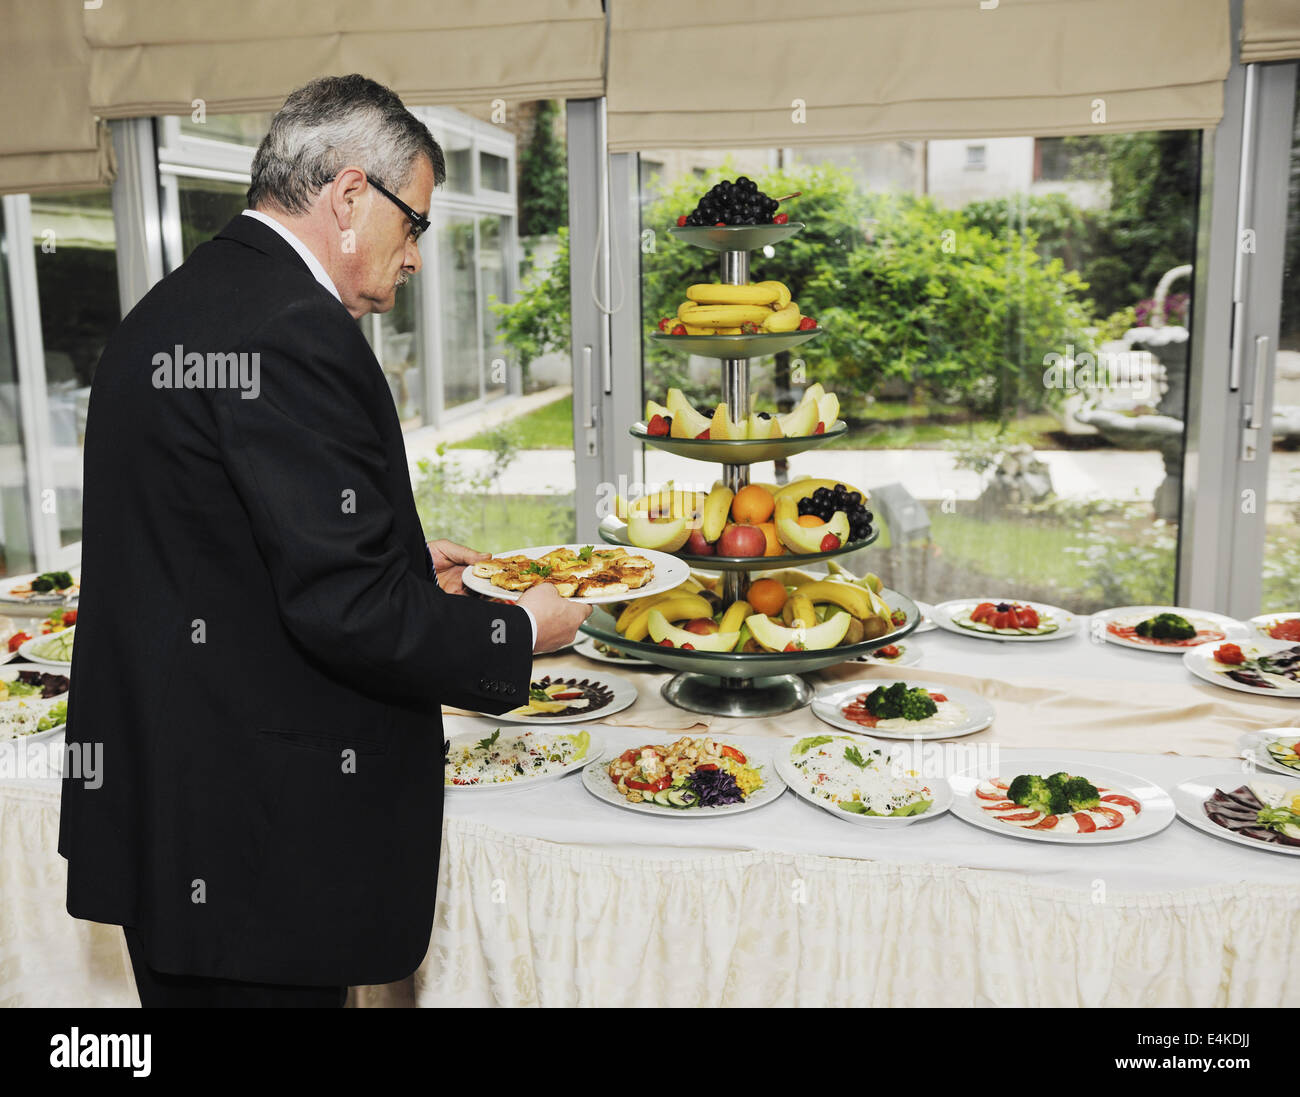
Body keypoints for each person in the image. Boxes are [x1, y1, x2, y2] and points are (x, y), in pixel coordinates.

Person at [58, 74, 590, 1007]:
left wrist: (389, 554)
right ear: (351, 197)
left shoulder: (177, 305)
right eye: (415, 222)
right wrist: (518, 630)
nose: (417, 254)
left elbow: (216, 544)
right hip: (257, 846)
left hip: (179, 822)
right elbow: (344, 609)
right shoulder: (294, 330)